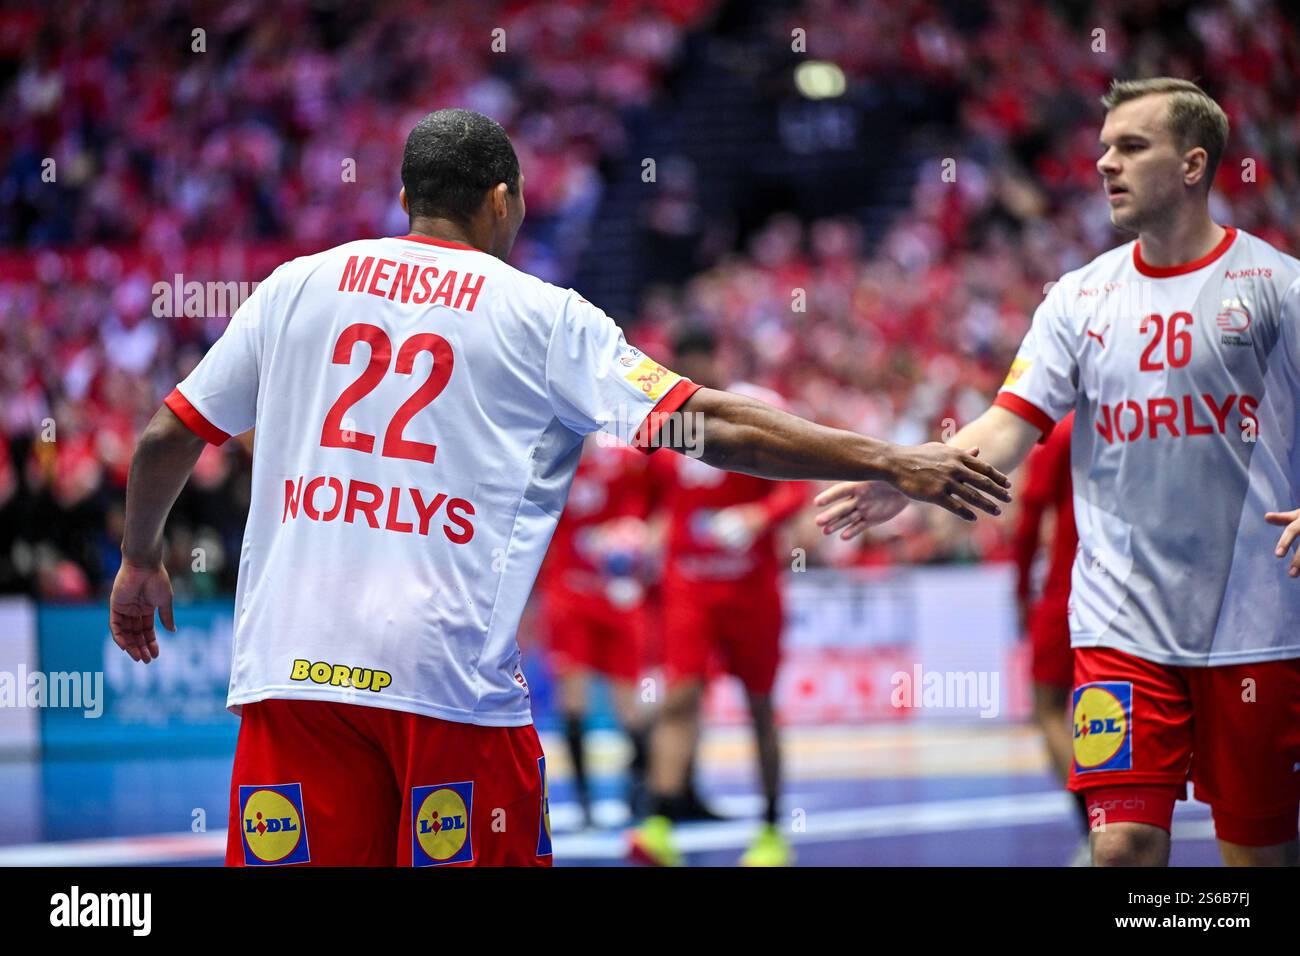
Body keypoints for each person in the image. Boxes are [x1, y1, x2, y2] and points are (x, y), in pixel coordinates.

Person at [108, 108, 1011, 867]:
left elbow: (166, 436)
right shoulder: (539, 318)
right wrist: (888, 458)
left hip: (292, 678)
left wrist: (141, 557)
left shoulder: (295, 287)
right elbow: (708, 425)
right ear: (502, 202)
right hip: (445, 686)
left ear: (404, 201)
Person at [817, 78, 1300, 867]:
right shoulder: (1078, 298)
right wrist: (907, 473)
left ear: (1193, 164)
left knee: (1259, 857)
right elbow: (1009, 426)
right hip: (1121, 623)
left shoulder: (1278, 287)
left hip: (1256, 628)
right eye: (1103, 145)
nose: (1104, 162)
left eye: (1130, 147)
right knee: (1122, 850)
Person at [630, 328, 809, 867]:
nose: (694, 378)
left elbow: (796, 484)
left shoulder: (759, 407)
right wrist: (637, 538)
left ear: (719, 357)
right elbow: (650, 502)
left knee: (759, 706)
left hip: (751, 587)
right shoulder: (662, 418)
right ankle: (659, 824)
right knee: (679, 699)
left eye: (700, 366)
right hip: (688, 586)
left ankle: (773, 829)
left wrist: (760, 516)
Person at [537, 434, 654, 827]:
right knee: (574, 703)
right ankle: (585, 803)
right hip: (569, 594)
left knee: (629, 708)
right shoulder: (548, 459)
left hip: (618, 597)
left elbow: (655, 507)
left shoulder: (626, 457)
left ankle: (636, 796)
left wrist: (633, 533)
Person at [1011, 412, 1091, 862]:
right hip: (1138, 589)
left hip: (1070, 587)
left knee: (1047, 709)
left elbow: (1029, 516)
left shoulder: (1062, 431)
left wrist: (1020, 590)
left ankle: (1093, 830)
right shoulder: (1134, 416)